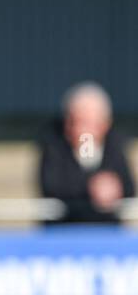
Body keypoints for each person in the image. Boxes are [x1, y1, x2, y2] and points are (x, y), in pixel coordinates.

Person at [39, 82, 134, 225]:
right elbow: (51, 188)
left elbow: (129, 188)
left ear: (105, 124)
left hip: (106, 232)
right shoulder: (53, 145)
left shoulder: (116, 145)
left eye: (90, 123)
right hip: (65, 232)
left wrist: (115, 188)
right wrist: (91, 187)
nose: (84, 130)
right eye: (79, 122)